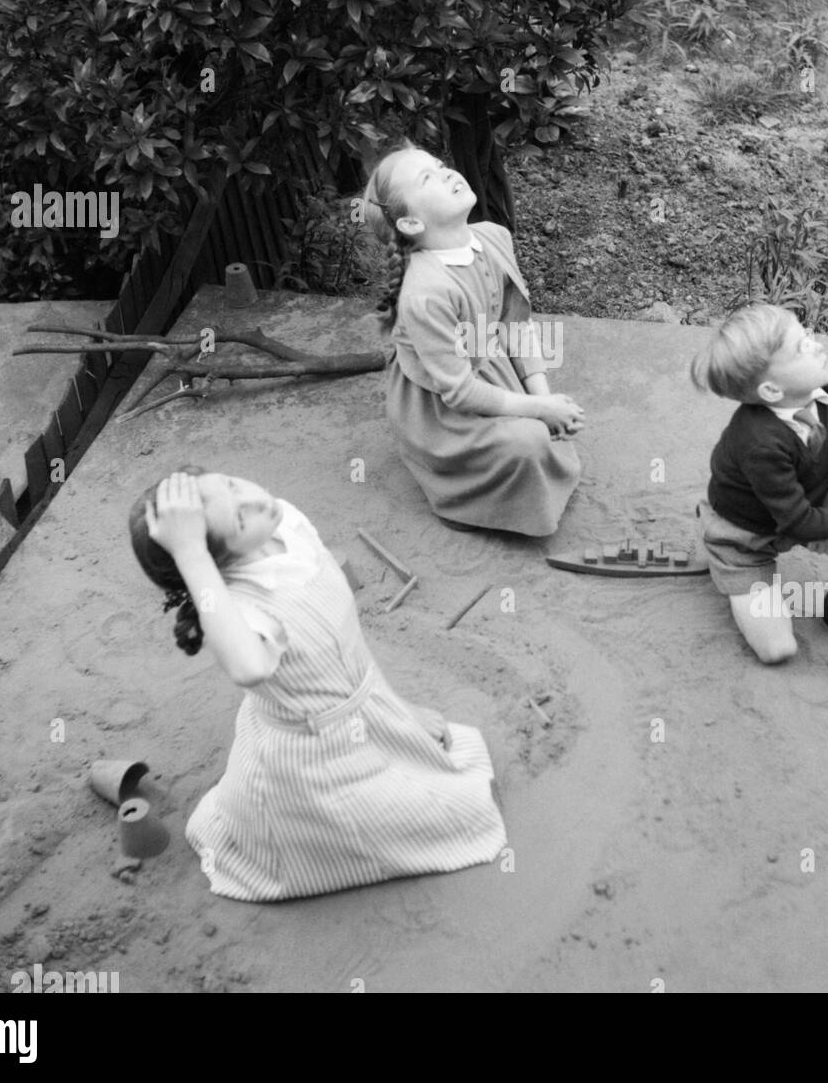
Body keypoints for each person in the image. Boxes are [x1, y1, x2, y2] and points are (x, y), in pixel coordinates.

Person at [128, 467, 507, 901]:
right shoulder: (239, 606)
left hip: (364, 715)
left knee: (449, 774)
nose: (256, 501)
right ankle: (286, 837)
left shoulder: (284, 523)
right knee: (450, 816)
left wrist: (403, 712)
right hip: (311, 762)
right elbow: (248, 668)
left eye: (233, 484)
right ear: (214, 566)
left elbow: (350, 649)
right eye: (238, 520)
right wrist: (189, 553)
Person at [362, 143, 583, 536]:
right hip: (444, 407)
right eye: (427, 178)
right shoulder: (426, 293)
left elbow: (516, 325)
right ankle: (463, 495)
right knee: (528, 442)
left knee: (542, 427)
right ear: (411, 224)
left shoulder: (494, 237)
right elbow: (460, 392)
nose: (446, 172)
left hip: (486, 365)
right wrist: (538, 411)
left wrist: (542, 397)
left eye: (440, 164)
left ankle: (525, 447)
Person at [690, 303, 828, 668]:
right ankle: (730, 570)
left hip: (801, 503)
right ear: (772, 390)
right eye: (801, 348)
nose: (817, 344)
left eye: (806, 333)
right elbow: (798, 523)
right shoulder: (759, 442)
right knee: (777, 650)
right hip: (744, 535)